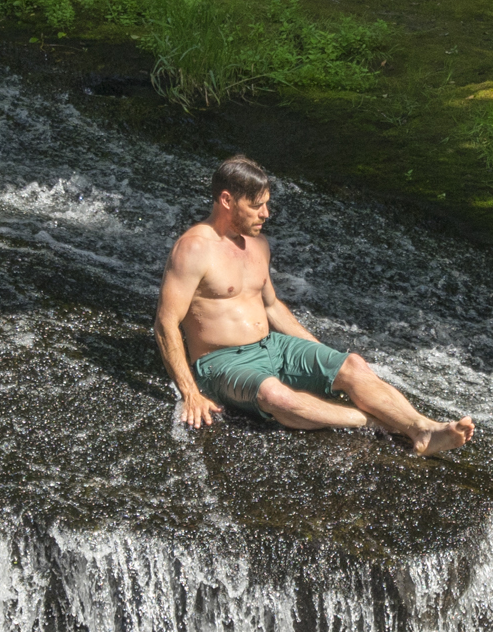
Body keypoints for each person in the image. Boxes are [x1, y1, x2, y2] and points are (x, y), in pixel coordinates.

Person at [155, 155, 476, 455]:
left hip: (273, 345)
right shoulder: (193, 249)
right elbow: (166, 323)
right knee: (275, 397)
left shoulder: (258, 243)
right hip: (222, 362)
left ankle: (424, 429)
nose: (266, 214)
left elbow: (271, 306)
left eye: (266, 204)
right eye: (256, 206)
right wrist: (190, 393)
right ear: (226, 200)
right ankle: (374, 421)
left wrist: (323, 357)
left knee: (352, 365)